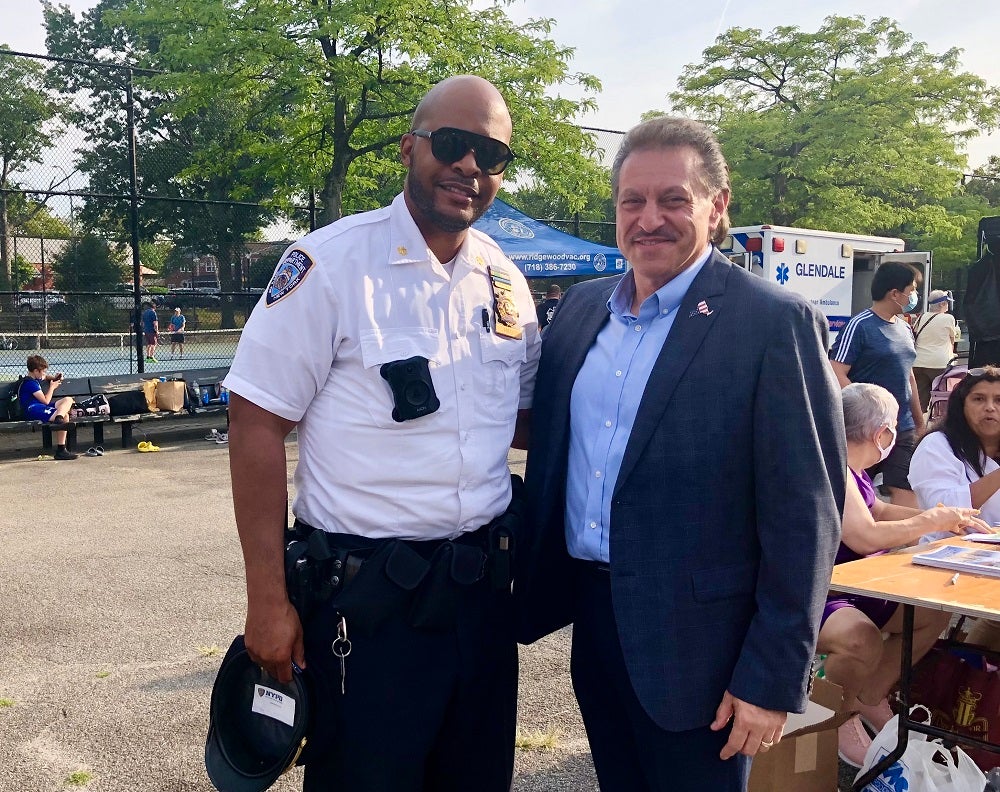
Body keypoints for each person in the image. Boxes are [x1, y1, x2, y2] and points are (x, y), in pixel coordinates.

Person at [223, 75, 539, 792]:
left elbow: (522, 421)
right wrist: (266, 602)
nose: (469, 167)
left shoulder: (506, 282)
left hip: (482, 601)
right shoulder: (332, 264)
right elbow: (256, 422)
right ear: (408, 148)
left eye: (490, 155)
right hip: (370, 616)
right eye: (453, 144)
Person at [515, 116, 846, 792]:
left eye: (674, 199)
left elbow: (805, 514)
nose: (649, 219)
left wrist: (771, 678)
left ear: (716, 206)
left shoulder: (771, 322)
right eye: (632, 201)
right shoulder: (579, 312)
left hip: (706, 656)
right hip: (596, 624)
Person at [818, 383, 987, 767]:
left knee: (931, 614)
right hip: (822, 589)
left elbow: (876, 510)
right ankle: (834, 716)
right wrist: (931, 518)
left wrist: (953, 519)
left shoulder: (853, 469)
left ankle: (866, 695)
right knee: (860, 640)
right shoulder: (832, 466)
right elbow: (864, 535)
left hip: (856, 584)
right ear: (882, 434)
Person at [909, 365, 1000, 651]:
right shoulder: (938, 446)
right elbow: (949, 511)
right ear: (961, 404)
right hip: (946, 561)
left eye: (999, 401)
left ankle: (971, 676)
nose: (990, 408)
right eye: (979, 399)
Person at [830, 262, 925, 507]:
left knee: (904, 489)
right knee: (855, 493)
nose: (914, 296)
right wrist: (866, 409)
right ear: (894, 293)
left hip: (901, 426)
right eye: (911, 289)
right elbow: (836, 370)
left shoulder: (905, 328)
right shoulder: (860, 326)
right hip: (865, 428)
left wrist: (919, 422)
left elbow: (909, 376)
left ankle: (906, 544)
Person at [19, 354, 78, 461]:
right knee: (65, 414)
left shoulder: (34, 378)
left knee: (68, 400)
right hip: (32, 409)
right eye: (43, 371)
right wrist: (52, 387)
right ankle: (61, 450)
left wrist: (55, 378)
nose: (45, 374)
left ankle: (58, 419)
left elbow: (45, 377)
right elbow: (46, 401)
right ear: (36, 371)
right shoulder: (30, 384)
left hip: (39, 406)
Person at [911, 289, 959, 412]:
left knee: (920, 402)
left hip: (918, 363)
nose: (948, 305)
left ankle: (918, 428)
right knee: (941, 400)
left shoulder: (922, 317)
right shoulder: (948, 318)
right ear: (942, 304)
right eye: (947, 302)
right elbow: (953, 340)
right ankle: (938, 427)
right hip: (940, 364)